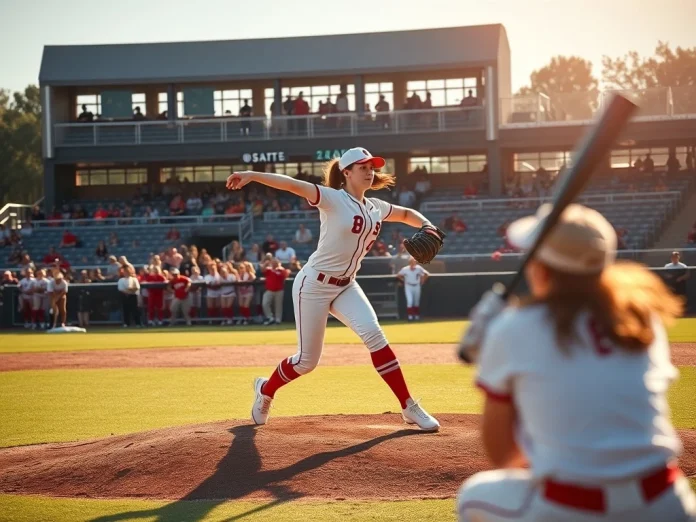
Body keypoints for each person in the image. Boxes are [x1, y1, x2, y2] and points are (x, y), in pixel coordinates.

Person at [456, 203, 696, 522]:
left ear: (541, 267)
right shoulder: (641, 317)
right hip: (667, 503)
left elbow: (502, 453)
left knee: (472, 497)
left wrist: (493, 341)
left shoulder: (515, 326)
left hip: (571, 508)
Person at [226, 146, 440, 430]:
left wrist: (428, 226)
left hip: (346, 285)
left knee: (375, 336)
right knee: (306, 362)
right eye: (362, 167)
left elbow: (406, 214)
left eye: (371, 166)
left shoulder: (376, 207)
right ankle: (266, 389)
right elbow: (291, 184)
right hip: (313, 285)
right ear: (346, 172)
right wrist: (251, 174)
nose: (369, 171)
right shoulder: (332, 198)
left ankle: (408, 406)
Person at [261, 257, 290, 325]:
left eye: (275, 262)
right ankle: (270, 317)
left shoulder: (281, 270)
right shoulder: (269, 270)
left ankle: (278, 320)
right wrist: (266, 263)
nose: (274, 264)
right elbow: (262, 270)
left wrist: (279, 267)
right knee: (265, 303)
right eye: (273, 262)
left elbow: (285, 275)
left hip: (279, 290)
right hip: (269, 290)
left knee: (278, 306)